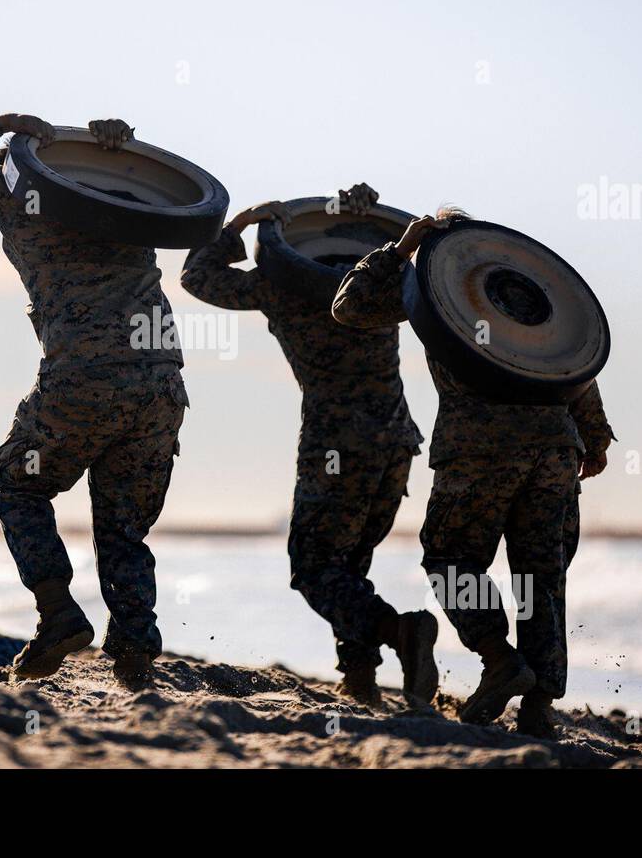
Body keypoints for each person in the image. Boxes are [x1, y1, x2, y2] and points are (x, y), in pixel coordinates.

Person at [0, 113, 187, 690]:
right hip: (160, 382)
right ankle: (135, 659)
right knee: (124, 528)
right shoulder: (120, 202)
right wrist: (110, 150)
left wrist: (4, 122)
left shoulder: (10, 197)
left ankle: (59, 614)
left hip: (82, 375)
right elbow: (168, 193)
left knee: (17, 485)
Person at [332, 207, 614, 731]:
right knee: (541, 575)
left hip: (478, 449)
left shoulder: (437, 290)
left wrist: (399, 250)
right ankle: (538, 705)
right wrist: (593, 437)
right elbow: (569, 364)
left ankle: (499, 659)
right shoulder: (529, 288)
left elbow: (350, 307)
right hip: (553, 449)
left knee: (451, 561)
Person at [180, 185, 439, 707]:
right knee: (349, 564)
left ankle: (399, 633)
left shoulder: (280, 291)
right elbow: (413, 265)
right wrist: (368, 218)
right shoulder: (383, 292)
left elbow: (198, 277)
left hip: (335, 441)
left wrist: (239, 225)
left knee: (315, 567)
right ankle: (360, 676)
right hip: (396, 440)